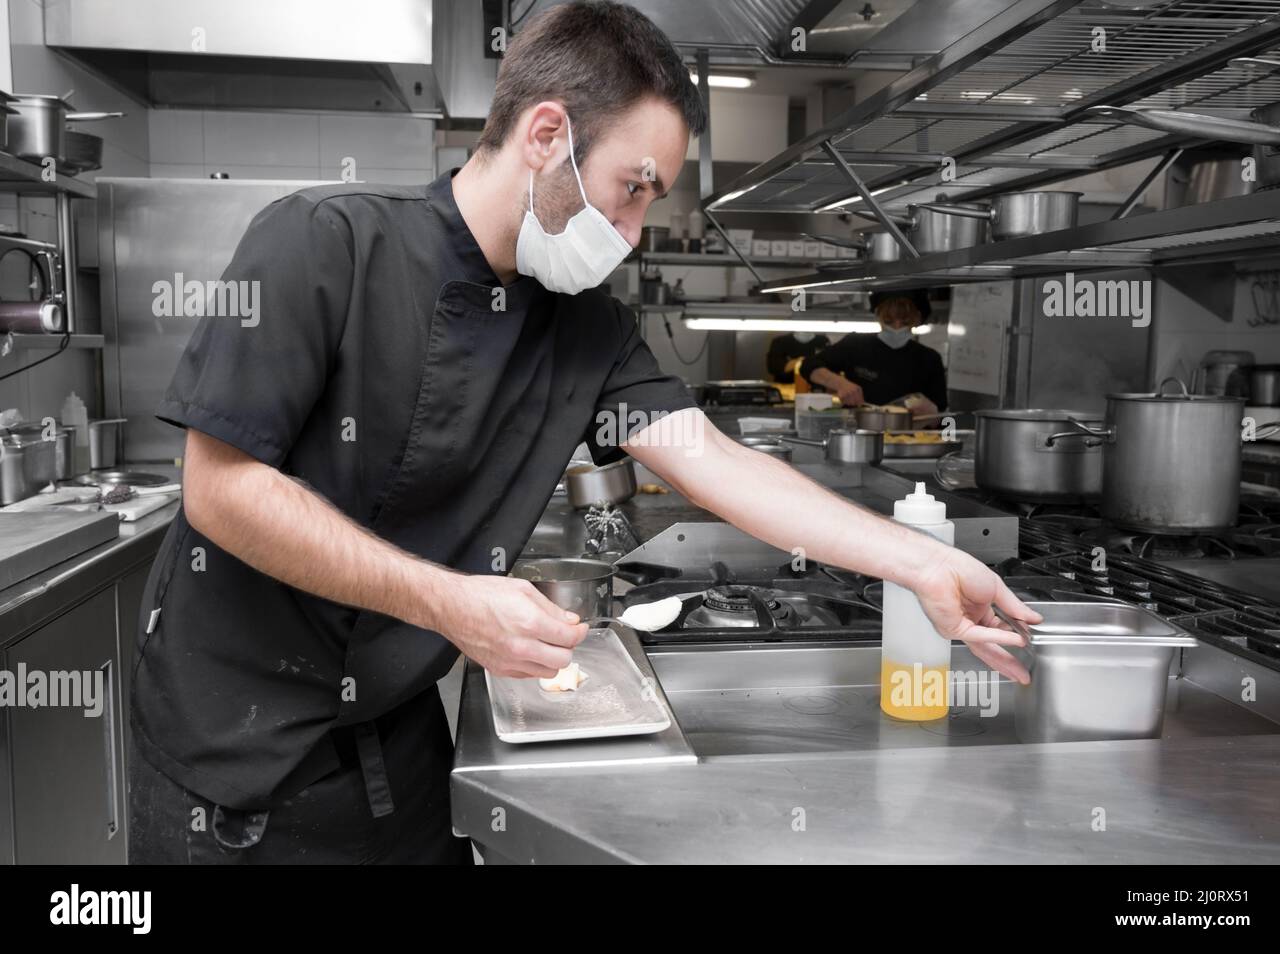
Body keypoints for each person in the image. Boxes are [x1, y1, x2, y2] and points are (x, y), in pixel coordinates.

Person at [129, 1, 1036, 865]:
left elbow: (713, 459)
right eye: (632, 190)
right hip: (236, 753)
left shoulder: (582, 324)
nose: (636, 233)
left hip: (395, 739)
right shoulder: (324, 243)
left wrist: (917, 563)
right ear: (548, 135)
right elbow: (222, 491)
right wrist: (450, 603)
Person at [801, 290, 947, 417]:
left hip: (909, 437)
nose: (896, 327)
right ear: (877, 315)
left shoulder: (929, 359)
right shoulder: (855, 345)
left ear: (917, 319)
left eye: (904, 322)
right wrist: (840, 383)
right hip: (857, 431)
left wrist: (932, 414)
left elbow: (940, 411)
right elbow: (808, 366)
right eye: (889, 321)